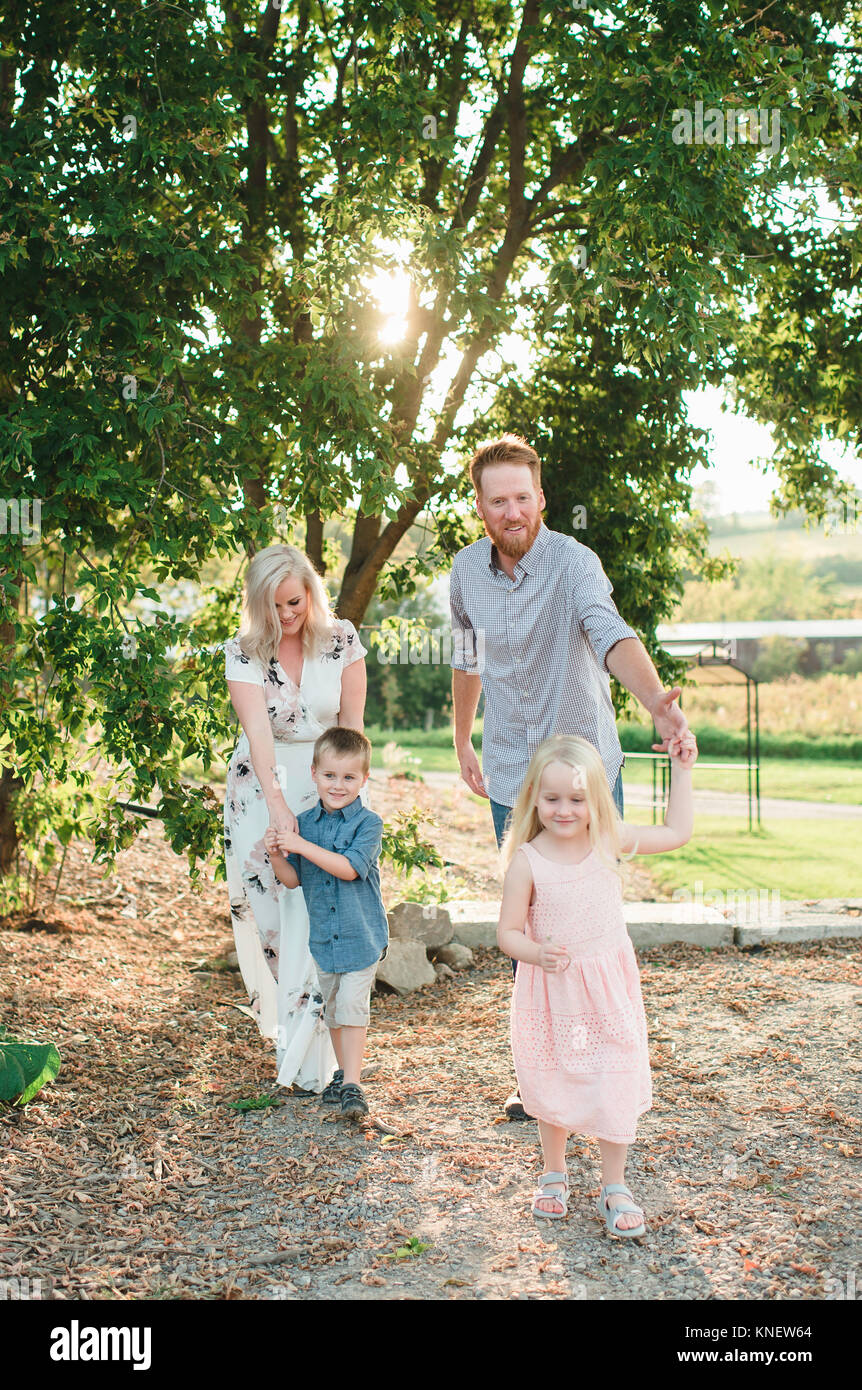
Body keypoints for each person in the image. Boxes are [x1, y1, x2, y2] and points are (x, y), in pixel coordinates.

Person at [449, 432, 690, 1118]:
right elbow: (466, 660)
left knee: (587, 926)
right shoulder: (465, 572)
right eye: (499, 501)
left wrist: (656, 702)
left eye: (523, 498)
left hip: (584, 776)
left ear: (541, 498)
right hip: (512, 775)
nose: (512, 512)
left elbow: (610, 633)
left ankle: (602, 1066)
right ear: (480, 507)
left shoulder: (575, 561)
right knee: (527, 929)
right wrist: (462, 737)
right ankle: (540, 1075)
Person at [496, 730, 697, 1235]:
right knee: (553, 1076)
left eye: (577, 799)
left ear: (595, 800)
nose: (564, 810)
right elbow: (507, 934)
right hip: (553, 993)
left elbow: (676, 831)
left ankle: (615, 1184)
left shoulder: (608, 841)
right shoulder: (527, 861)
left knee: (614, 1076)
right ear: (533, 797)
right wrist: (536, 953)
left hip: (608, 992)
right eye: (552, 799)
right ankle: (554, 1172)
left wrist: (682, 770)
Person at [223, 544, 368, 1093]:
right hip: (263, 790)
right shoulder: (243, 652)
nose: (285, 615)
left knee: (324, 911)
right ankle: (295, 1043)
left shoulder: (342, 640)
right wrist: (280, 807)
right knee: (278, 920)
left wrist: (348, 803)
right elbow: (258, 735)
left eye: (294, 602)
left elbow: (353, 729)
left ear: (311, 592)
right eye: (274, 606)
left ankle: (326, 1062)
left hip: (330, 783)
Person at [264, 727, 388, 1120]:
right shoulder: (304, 823)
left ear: (364, 780)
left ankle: (353, 1084)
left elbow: (349, 869)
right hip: (325, 939)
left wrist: (300, 845)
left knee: (351, 1006)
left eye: (349, 777)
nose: (338, 785)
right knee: (334, 1010)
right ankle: (343, 1074)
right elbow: (292, 880)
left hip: (361, 935)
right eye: (330, 775)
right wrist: (277, 854)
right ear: (314, 773)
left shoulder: (368, 824)